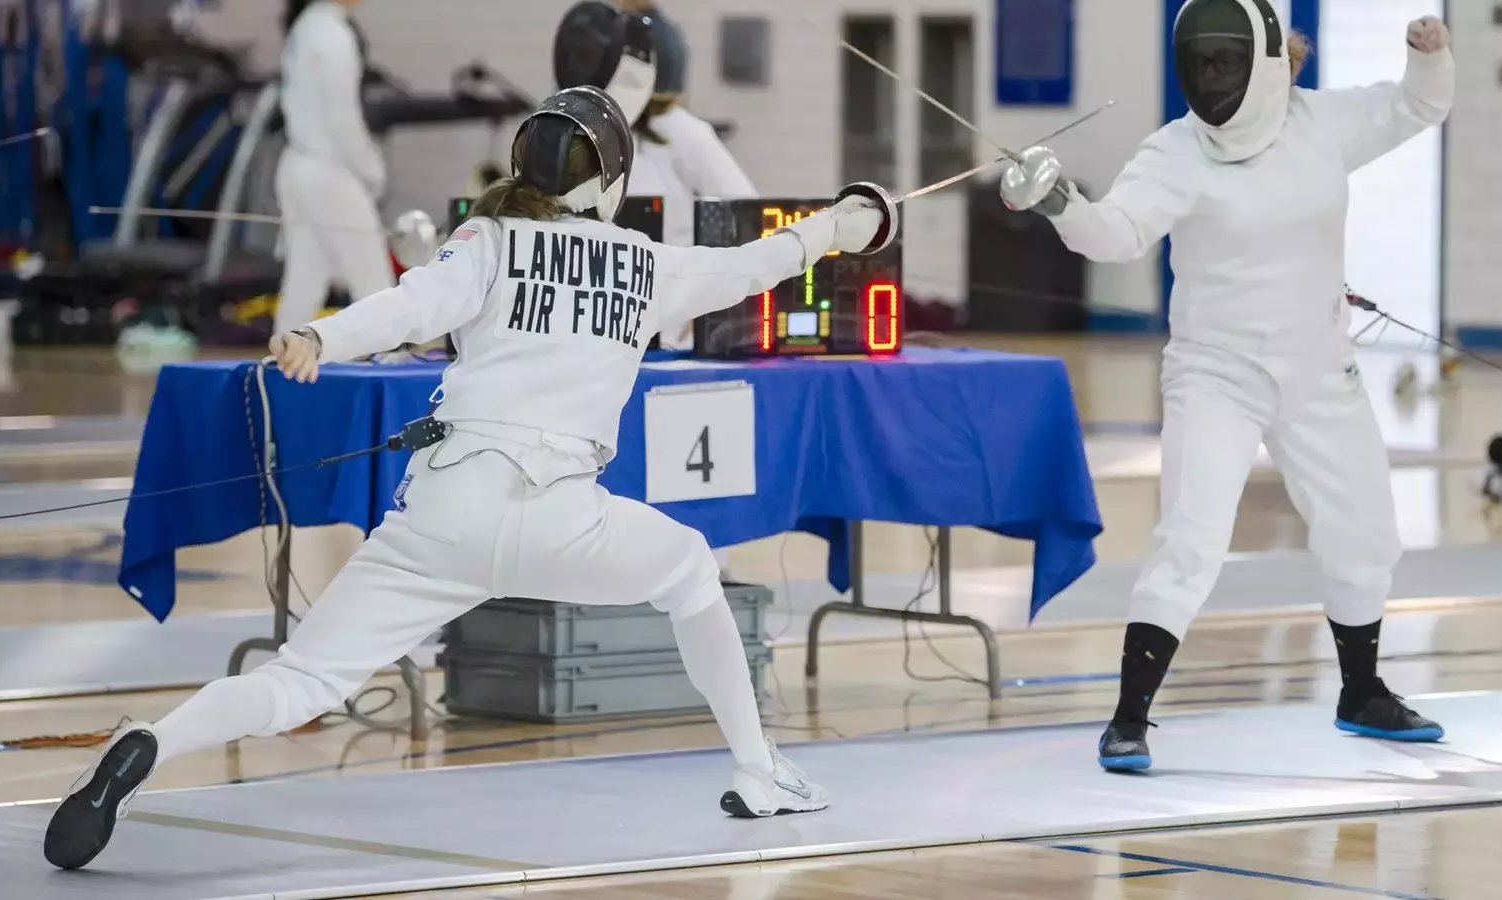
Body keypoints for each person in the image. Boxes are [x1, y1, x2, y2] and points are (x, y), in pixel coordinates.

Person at [43, 85, 888, 871]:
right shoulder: (642, 261)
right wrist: (839, 227)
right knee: (691, 567)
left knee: (299, 679)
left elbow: (412, 305)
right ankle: (757, 771)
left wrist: (320, 337)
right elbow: (752, 264)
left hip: (443, 516)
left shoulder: (487, 240)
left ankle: (150, 742)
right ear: (609, 182)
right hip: (565, 523)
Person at [1000, 2, 1455, 772]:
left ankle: (1362, 693)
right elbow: (1117, 234)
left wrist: (1429, 54)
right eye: (1198, 64)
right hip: (1217, 372)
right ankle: (1128, 720)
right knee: (1191, 537)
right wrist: (1057, 202)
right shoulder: (1176, 152)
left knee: (1366, 533)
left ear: (1269, 62)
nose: (1210, 79)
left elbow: (1421, 104)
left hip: (1316, 365)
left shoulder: (1321, 123)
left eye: (1225, 62)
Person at [555, 1, 759, 351]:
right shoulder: (562, 134)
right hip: (590, 335)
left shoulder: (678, 132)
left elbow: (750, 218)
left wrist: (708, 307)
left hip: (671, 339)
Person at [272, 0, 396, 335]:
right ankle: (385, 369)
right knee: (374, 281)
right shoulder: (331, 34)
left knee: (304, 282)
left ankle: (280, 368)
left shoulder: (309, 24)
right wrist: (371, 170)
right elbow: (341, 118)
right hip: (328, 171)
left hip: (299, 164)